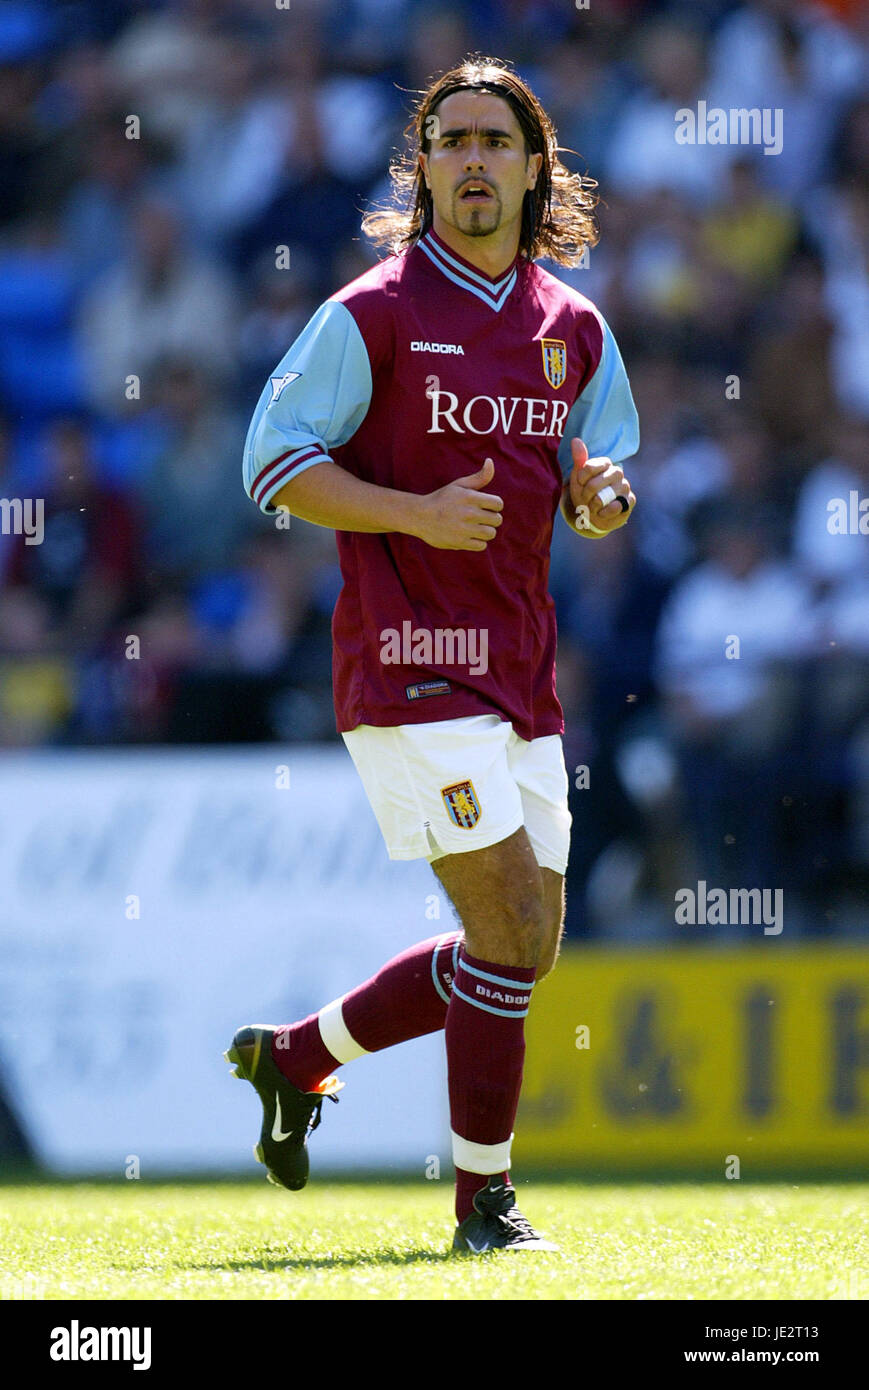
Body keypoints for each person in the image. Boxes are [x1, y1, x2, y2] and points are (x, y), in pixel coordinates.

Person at [226, 56, 639, 1254]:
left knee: (527, 944)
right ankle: (482, 1205)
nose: (470, 159)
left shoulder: (575, 329)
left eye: (494, 141)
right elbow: (270, 462)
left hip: (521, 672)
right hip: (407, 665)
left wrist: (599, 497)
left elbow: (596, 489)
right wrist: (408, 512)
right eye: (448, 140)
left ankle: (296, 1057)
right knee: (507, 918)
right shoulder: (370, 312)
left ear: (532, 168)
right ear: (422, 170)